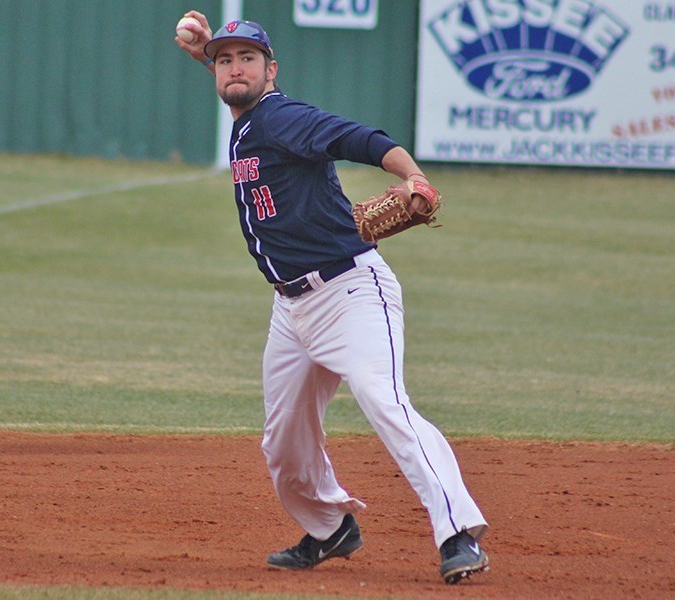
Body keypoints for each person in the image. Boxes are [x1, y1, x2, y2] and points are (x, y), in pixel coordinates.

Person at [174, 11, 489, 584]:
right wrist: (205, 52)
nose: (233, 68)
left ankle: (457, 532)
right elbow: (236, 82)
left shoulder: (282, 116)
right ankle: (329, 528)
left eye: (247, 58)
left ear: (273, 71)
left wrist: (412, 176)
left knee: (383, 399)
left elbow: (355, 137)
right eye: (224, 60)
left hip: (349, 294)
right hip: (290, 308)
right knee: (284, 437)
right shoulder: (251, 114)